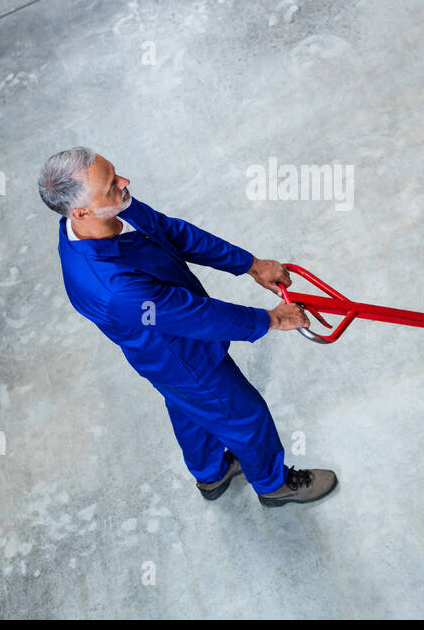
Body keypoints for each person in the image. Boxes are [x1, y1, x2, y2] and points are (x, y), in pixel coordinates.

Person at [38, 147, 338, 507]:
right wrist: (271, 319)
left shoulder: (109, 210)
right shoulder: (114, 288)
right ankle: (273, 484)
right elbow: (196, 316)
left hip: (165, 347)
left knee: (187, 408)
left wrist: (251, 265)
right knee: (245, 417)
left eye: (116, 173)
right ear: (82, 211)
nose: (125, 183)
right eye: (111, 184)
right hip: (180, 356)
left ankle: (211, 473)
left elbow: (172, 233)